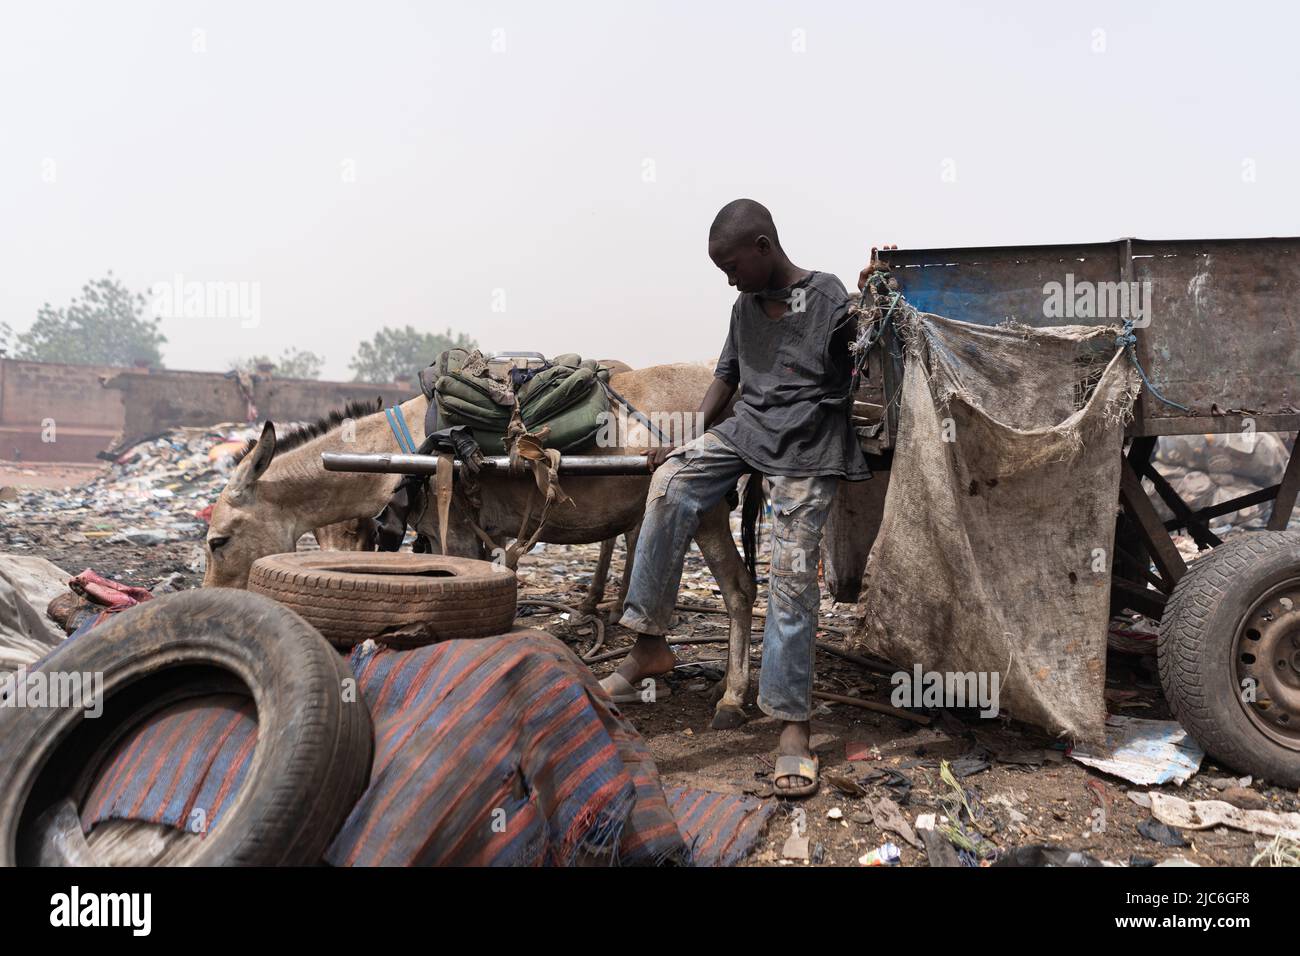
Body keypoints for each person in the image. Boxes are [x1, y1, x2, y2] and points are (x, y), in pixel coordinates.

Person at [599, 199, 876, 797]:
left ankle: (792, 724)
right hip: (748, 429)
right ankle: (649, 646)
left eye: (732, 266)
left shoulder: (825, 298)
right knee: (671, 485)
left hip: (807, 439)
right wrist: (689, 438)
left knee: (793, 574)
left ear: (764, 247)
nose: (728, 279)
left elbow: (863, 351)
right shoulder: (744, 305)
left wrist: (869, 309)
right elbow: (727, 375)